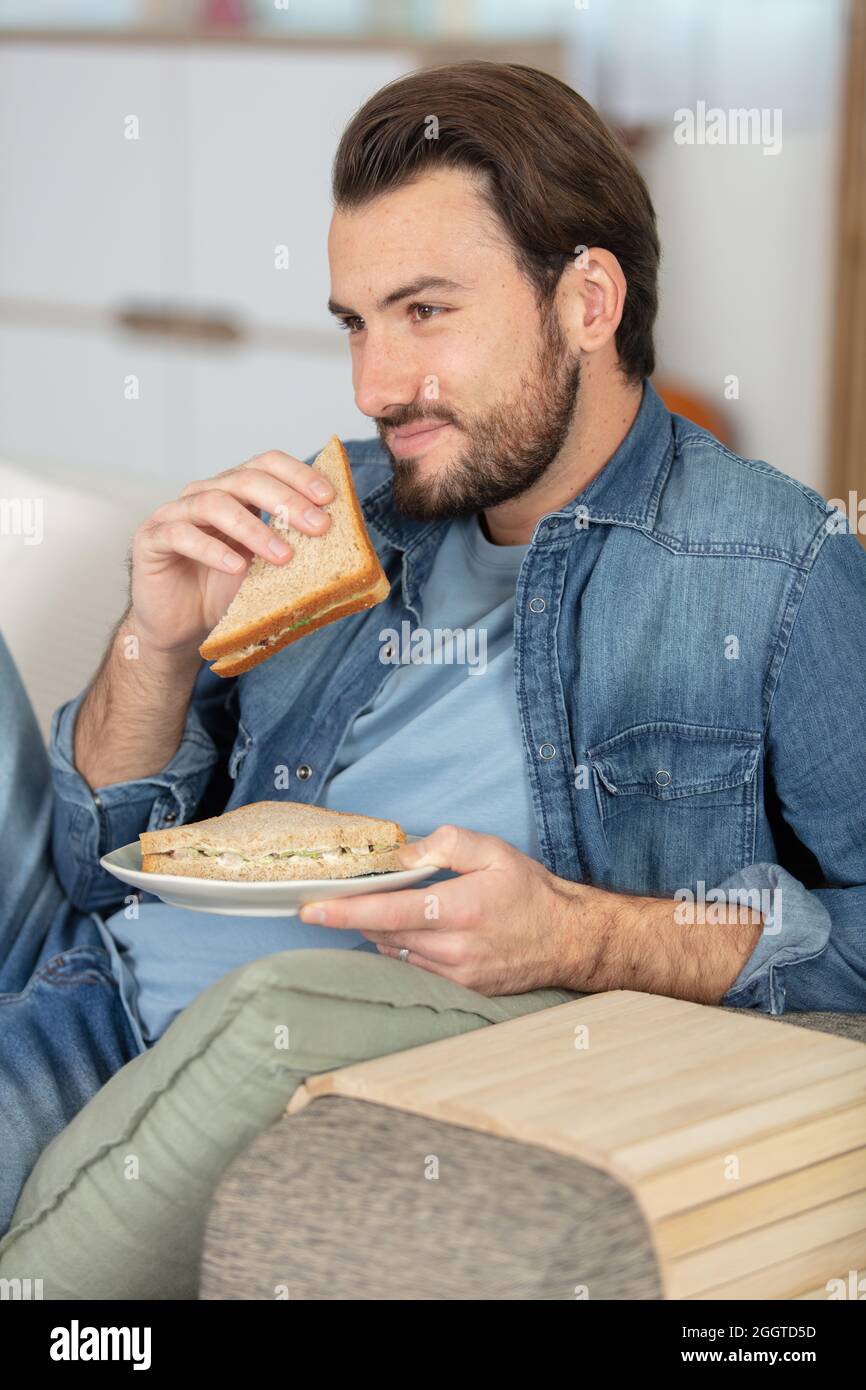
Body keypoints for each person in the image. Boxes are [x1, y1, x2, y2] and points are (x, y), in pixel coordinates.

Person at [2, 61, 864, 1236]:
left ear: (587, 303)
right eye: (356, 323)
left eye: (425, 313)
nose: (372, 386)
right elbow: (102, 849)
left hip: (276, 1062)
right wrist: (155, 643)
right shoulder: (337, 510)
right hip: (89, 980)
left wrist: (579, 932)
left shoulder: (777, 563)